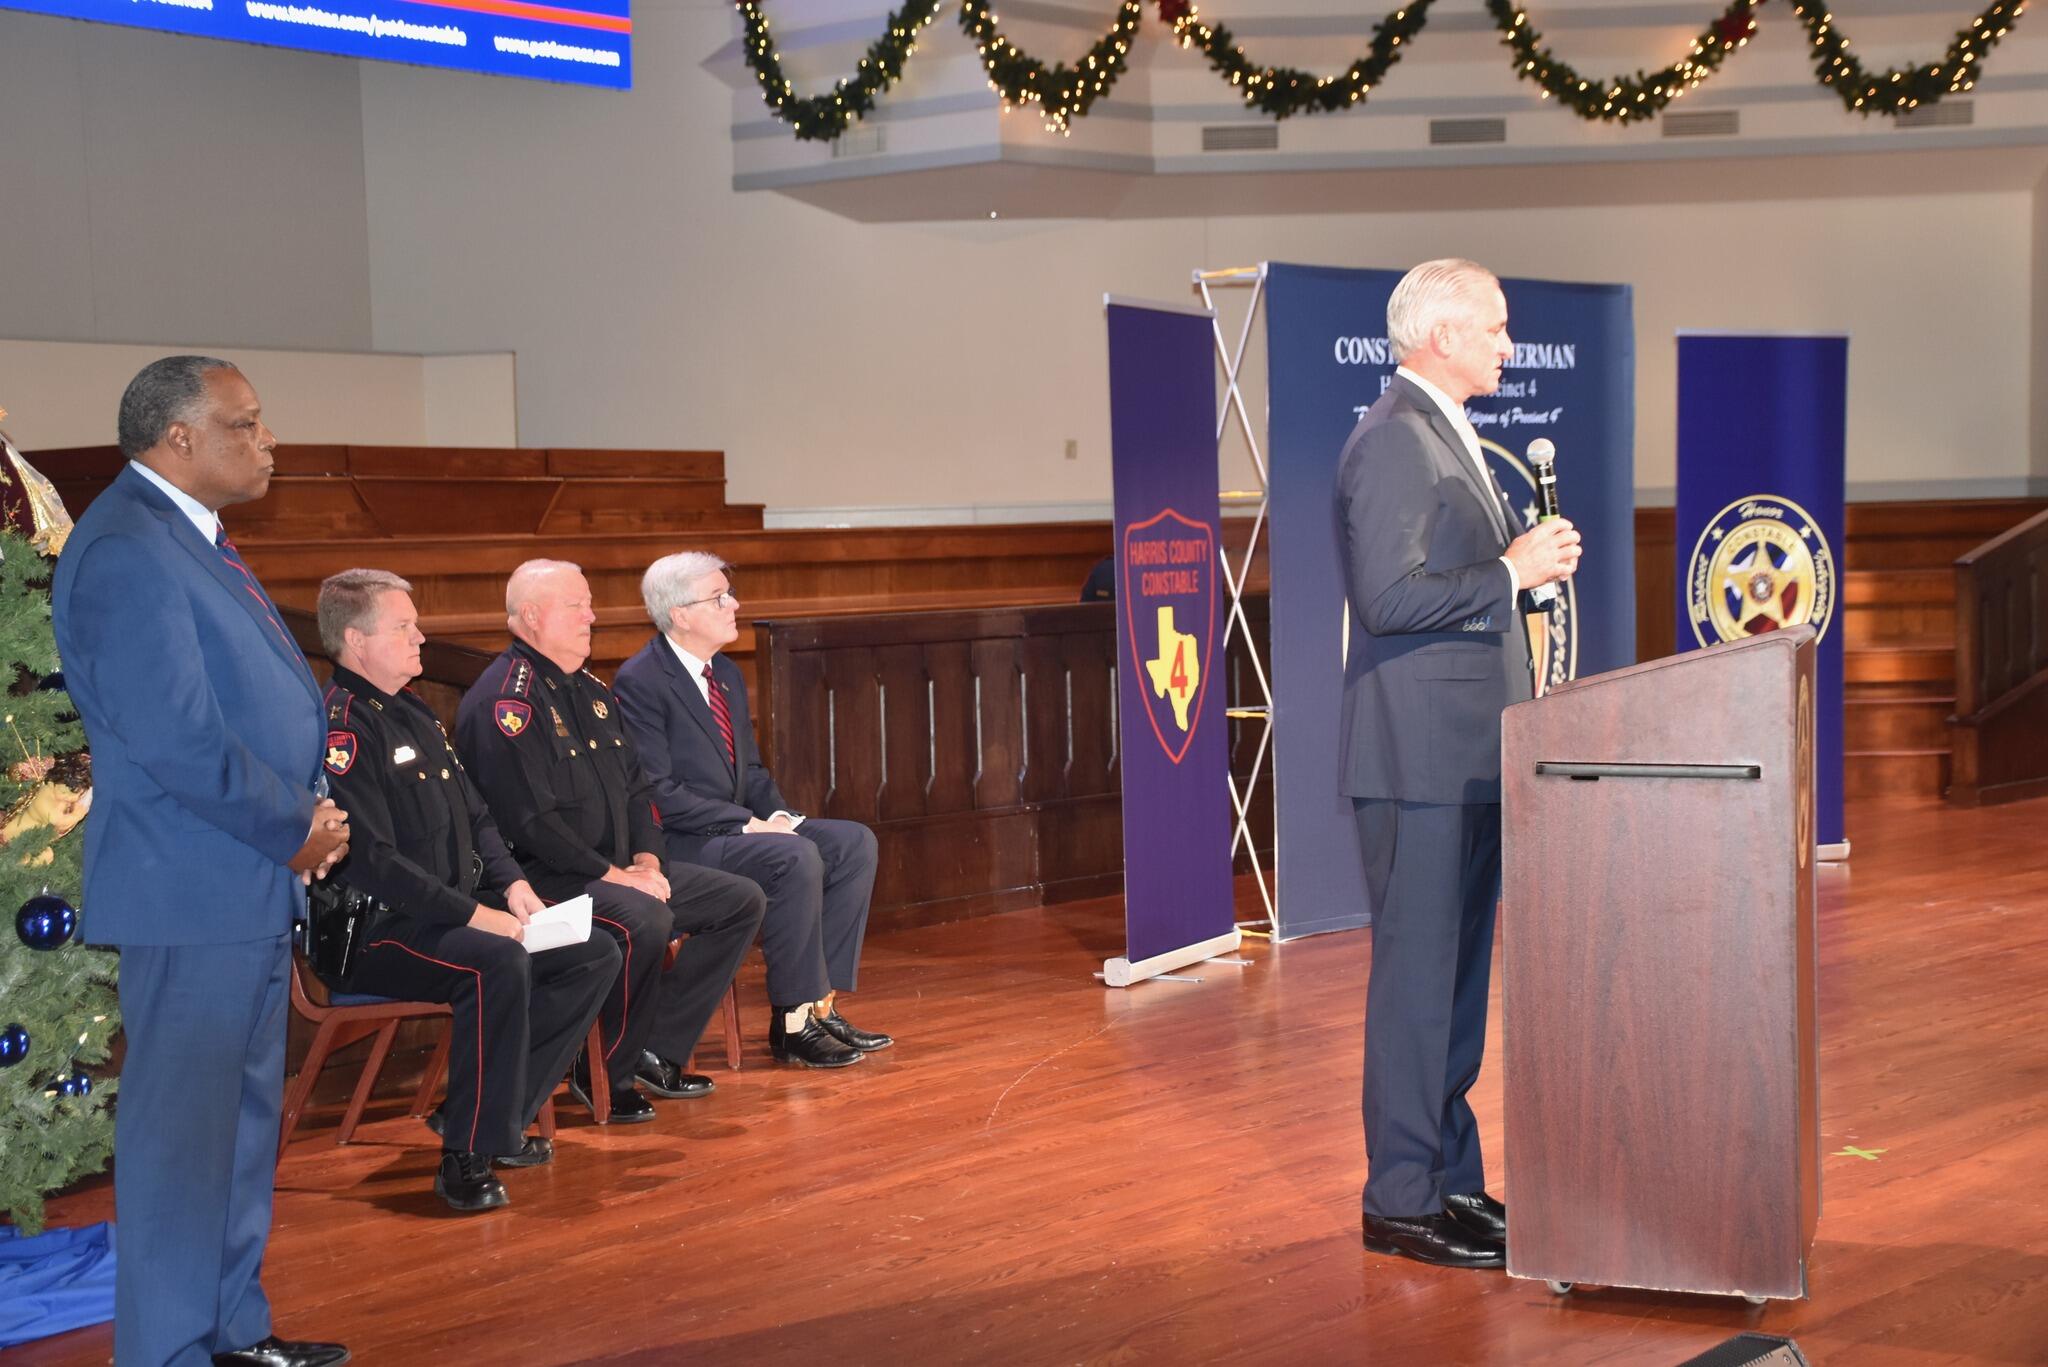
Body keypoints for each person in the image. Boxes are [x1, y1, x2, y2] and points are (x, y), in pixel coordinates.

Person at [51, 357, 352, 1366]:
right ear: (179, 437)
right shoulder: (129, 548)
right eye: (247, 425)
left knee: (239, 1132)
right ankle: (168, 1351)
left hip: (242, 882)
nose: (266, 445)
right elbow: (177, 737)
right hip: (191, 887)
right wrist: (294, 825)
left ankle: (230, 1331)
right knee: (182, 1145)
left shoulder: (190, 538)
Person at [1335, 261, 1581, 1271]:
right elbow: (1388, 597)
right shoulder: (1394, 438)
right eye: (1492, 326)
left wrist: (1511, 569)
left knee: (1456, 983)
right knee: (1415, 985)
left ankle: (1450, 1181)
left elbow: (1440, 587)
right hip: (1418, 761)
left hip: (1470, 758)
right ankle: (1398, 1196)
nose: (1505, 345)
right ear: (1438, 332)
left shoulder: (1445, 432)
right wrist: (1508, 571)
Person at [313, 568, 620, 1212]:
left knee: (592, 952)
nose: (421, 636)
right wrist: (478, 917)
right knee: (495, 962)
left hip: (447, 917)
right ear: (355, 641)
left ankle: (496, 1114)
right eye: (404, 627)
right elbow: (374, 863)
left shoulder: (416, 713)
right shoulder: (343, 730)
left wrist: (513, 889)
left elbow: (478, 818)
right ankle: (465, 1157)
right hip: (375, 931)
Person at [455, 560, 765, 1121]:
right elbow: (531, 824)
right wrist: (618, 876)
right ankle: (605, 1071)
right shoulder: (507, 703)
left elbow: (638, 790)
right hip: (540, 878)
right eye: (575, 605)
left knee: (738, 900)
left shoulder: (591, 693)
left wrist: (647, 856)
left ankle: (655, 1047)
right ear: (530, 617)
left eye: (589, 603)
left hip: (616, 869)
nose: (591, 616)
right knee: (645, 917)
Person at [614, 554, 889, 1069]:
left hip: (738, 831)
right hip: (680, 839)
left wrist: (780, 817)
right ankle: (792, 1020)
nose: (733, 604)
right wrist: (748, 823)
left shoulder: (726, 675)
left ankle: (817, 1003)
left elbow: (754, 773)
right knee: (794, 857)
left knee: (853, 843)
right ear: (680, 614)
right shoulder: (641, 681)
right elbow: (656, 791)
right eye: (718, 598)